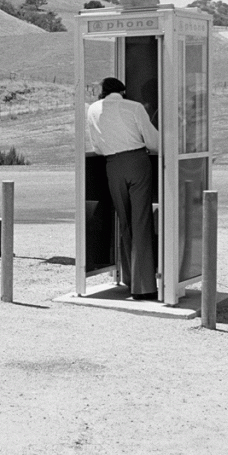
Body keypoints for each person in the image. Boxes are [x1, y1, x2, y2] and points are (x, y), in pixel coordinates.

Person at [86, 77, 160, 300]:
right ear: (123, 91)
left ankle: (129, 278)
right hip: (137, 162)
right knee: (142, 221)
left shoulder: (93, 110)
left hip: (111, 166)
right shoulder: (134, 107)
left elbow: (97, 146)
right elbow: (153, 142)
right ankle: (144, 285)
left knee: (125, 222)